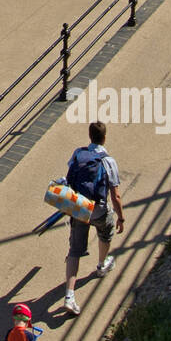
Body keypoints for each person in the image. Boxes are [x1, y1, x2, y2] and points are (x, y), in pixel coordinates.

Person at [62, 121, 125, 315]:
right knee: (106, 233)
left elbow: (69, 177)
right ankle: (101, 264)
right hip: (98, 209)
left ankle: (69, 296)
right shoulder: (108, 161)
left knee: (74, 251)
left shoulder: (78, 154)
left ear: (90, 137)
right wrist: (121, 217)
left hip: (79, 207)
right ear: (104, 138)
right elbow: (115, 196)